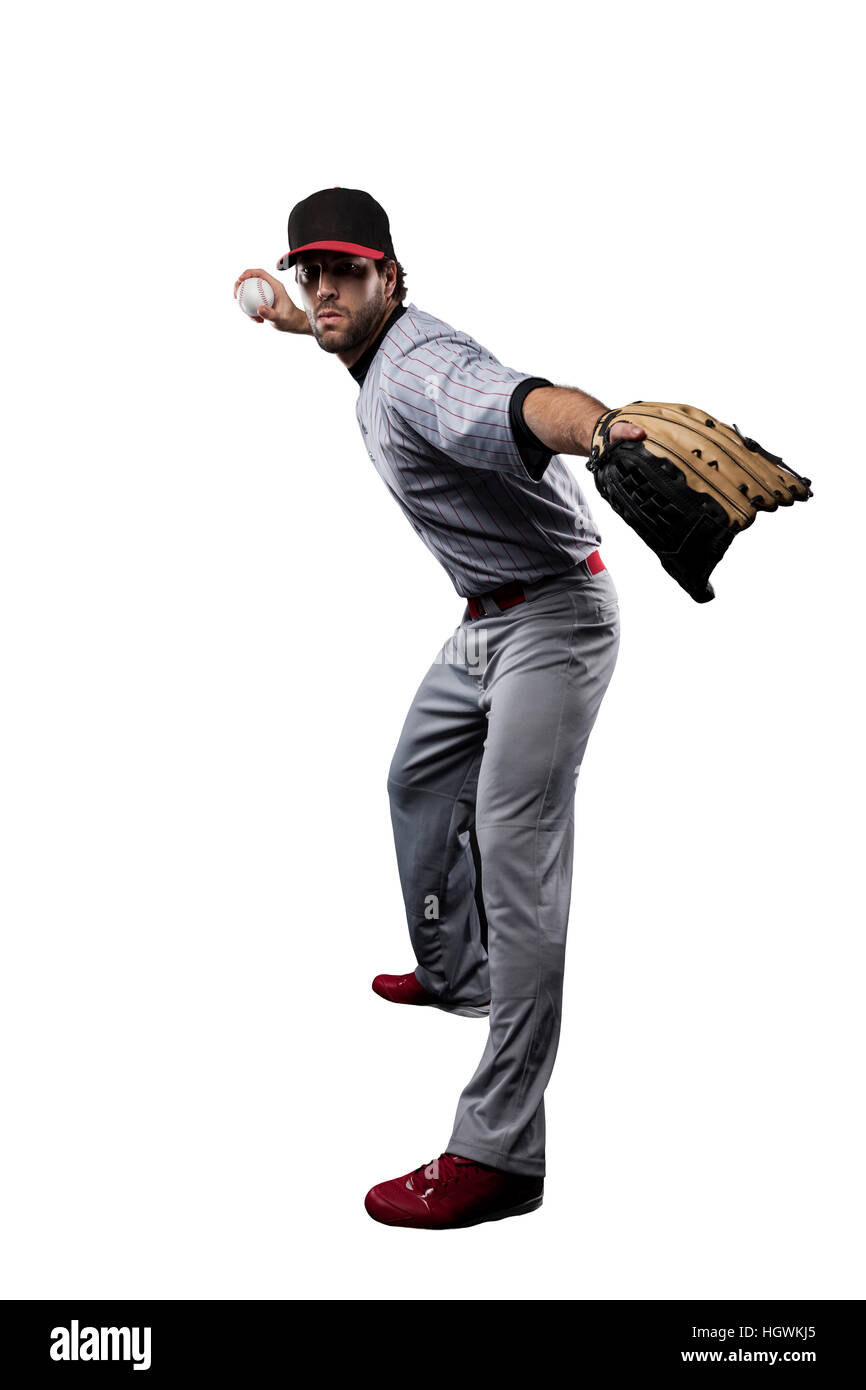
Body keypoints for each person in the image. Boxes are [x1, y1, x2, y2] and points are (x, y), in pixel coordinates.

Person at [234, 187, 645, 1231]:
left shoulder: (421, 367)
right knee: (415, 781)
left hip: (553, 619)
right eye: (310, 273)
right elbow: (338, 333)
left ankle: (499, 1154)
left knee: (516, 852)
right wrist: (294, 323)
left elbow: (515, 403)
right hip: (484, 621)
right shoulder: (364, 344)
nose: (324, 287)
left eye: (346, 271)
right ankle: (457, 970)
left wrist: (602, 427)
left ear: (391, 274)